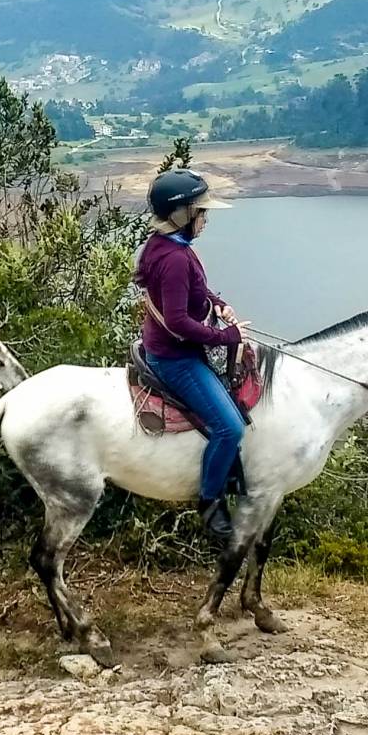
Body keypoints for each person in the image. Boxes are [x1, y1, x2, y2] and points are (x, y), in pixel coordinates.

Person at [137, 169, 251, 547]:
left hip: (172, 350)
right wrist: (225, 336)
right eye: (201, 211)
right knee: (229, 427)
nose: (206, 218)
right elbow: (178, 321)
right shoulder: (174, 259)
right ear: (182, 214)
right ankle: (210, 501)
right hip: (175, 358)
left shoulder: (168, 246)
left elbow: (194, 294)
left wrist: (218, 304)